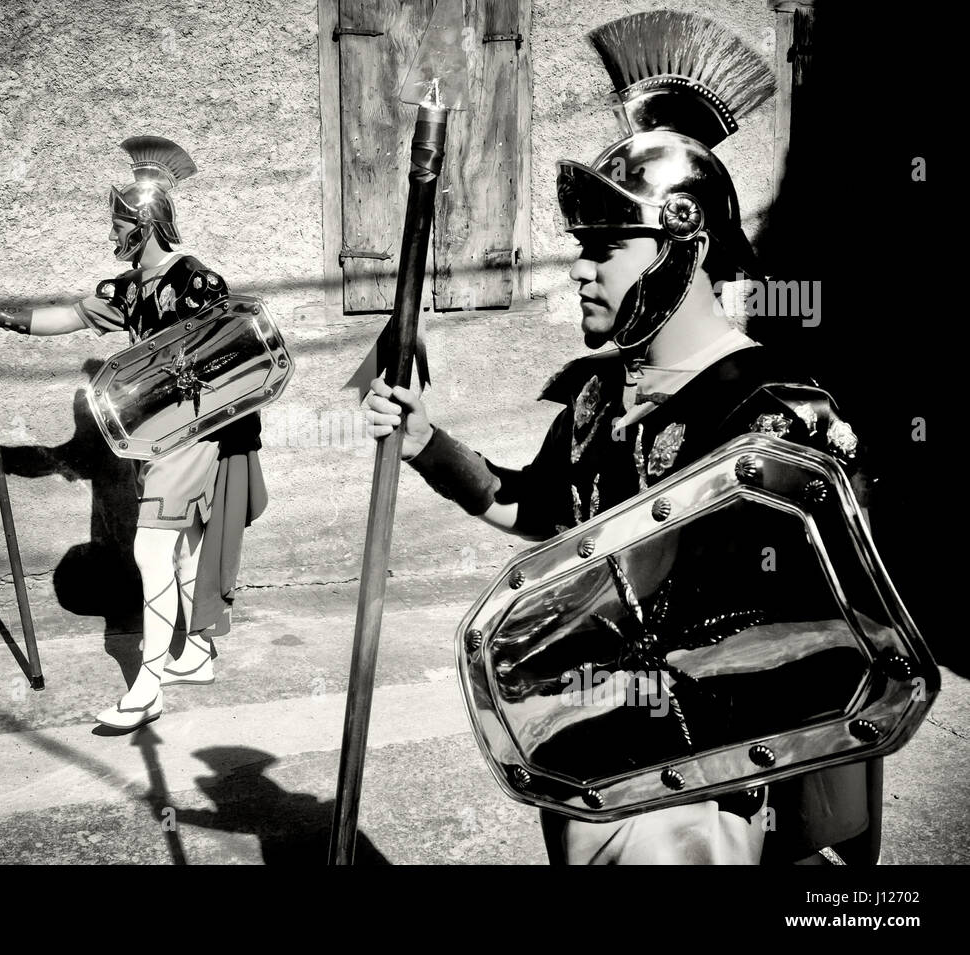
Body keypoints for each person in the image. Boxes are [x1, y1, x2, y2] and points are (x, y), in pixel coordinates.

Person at [363, 10, 878, 864]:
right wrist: (426, 442)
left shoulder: (774, 416)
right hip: (589, 757)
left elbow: (825, 656)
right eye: (581, 243)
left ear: (685, 244)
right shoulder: (604, 395)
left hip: (702, 794)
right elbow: (534, 509)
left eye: (607, 243)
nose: (578, 265)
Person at [0, 136, 266, 733]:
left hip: (195, 437)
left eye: (118, 224)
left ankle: (147, 688)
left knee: (151, 550)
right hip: (156, 439)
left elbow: (229, 357)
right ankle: (196, 653)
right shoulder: (129, 290)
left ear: (144, 222)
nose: (111, 237)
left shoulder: (197, 282)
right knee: (179, 553)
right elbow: (68, 318)